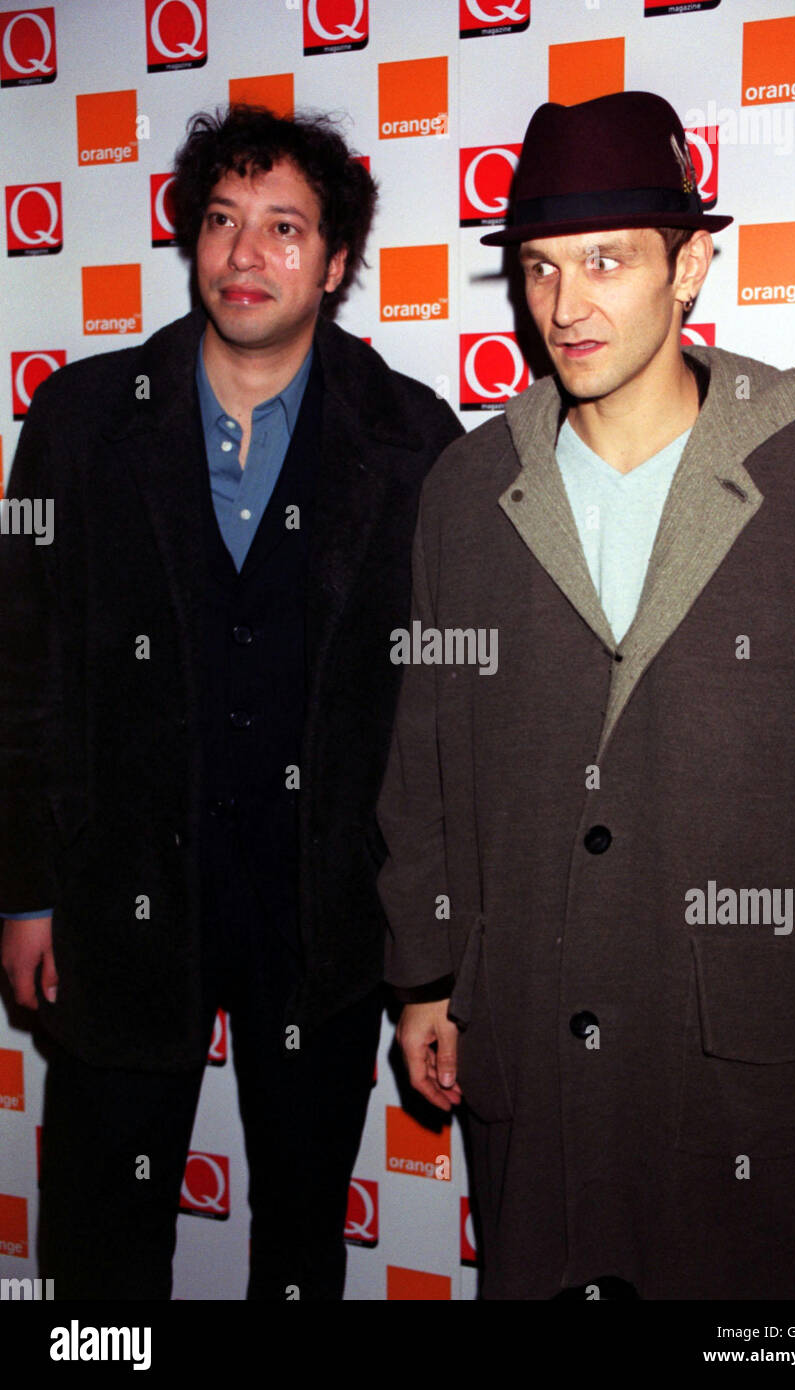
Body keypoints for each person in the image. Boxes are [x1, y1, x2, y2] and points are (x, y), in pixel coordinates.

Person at [378, 91, 795, 1300]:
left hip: (732, 1028)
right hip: (533, 1019)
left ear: (693, 264)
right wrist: (426, 970)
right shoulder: (467, 488)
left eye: (608, 261)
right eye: (543, 267)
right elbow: (427, 753)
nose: (566, 306)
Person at [0, 102, 462, 1300]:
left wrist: (430, 946)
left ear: (339, 262)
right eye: (221, 221)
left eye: (284, 227)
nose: (246, 255)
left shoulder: (413, 439)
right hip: (118, 894)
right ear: (191, 239)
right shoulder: (81, 422)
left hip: (323, 915)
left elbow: (439, 717)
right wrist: (26, 889)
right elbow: (23, 670)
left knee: (304, 1234)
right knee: (103, 1246)